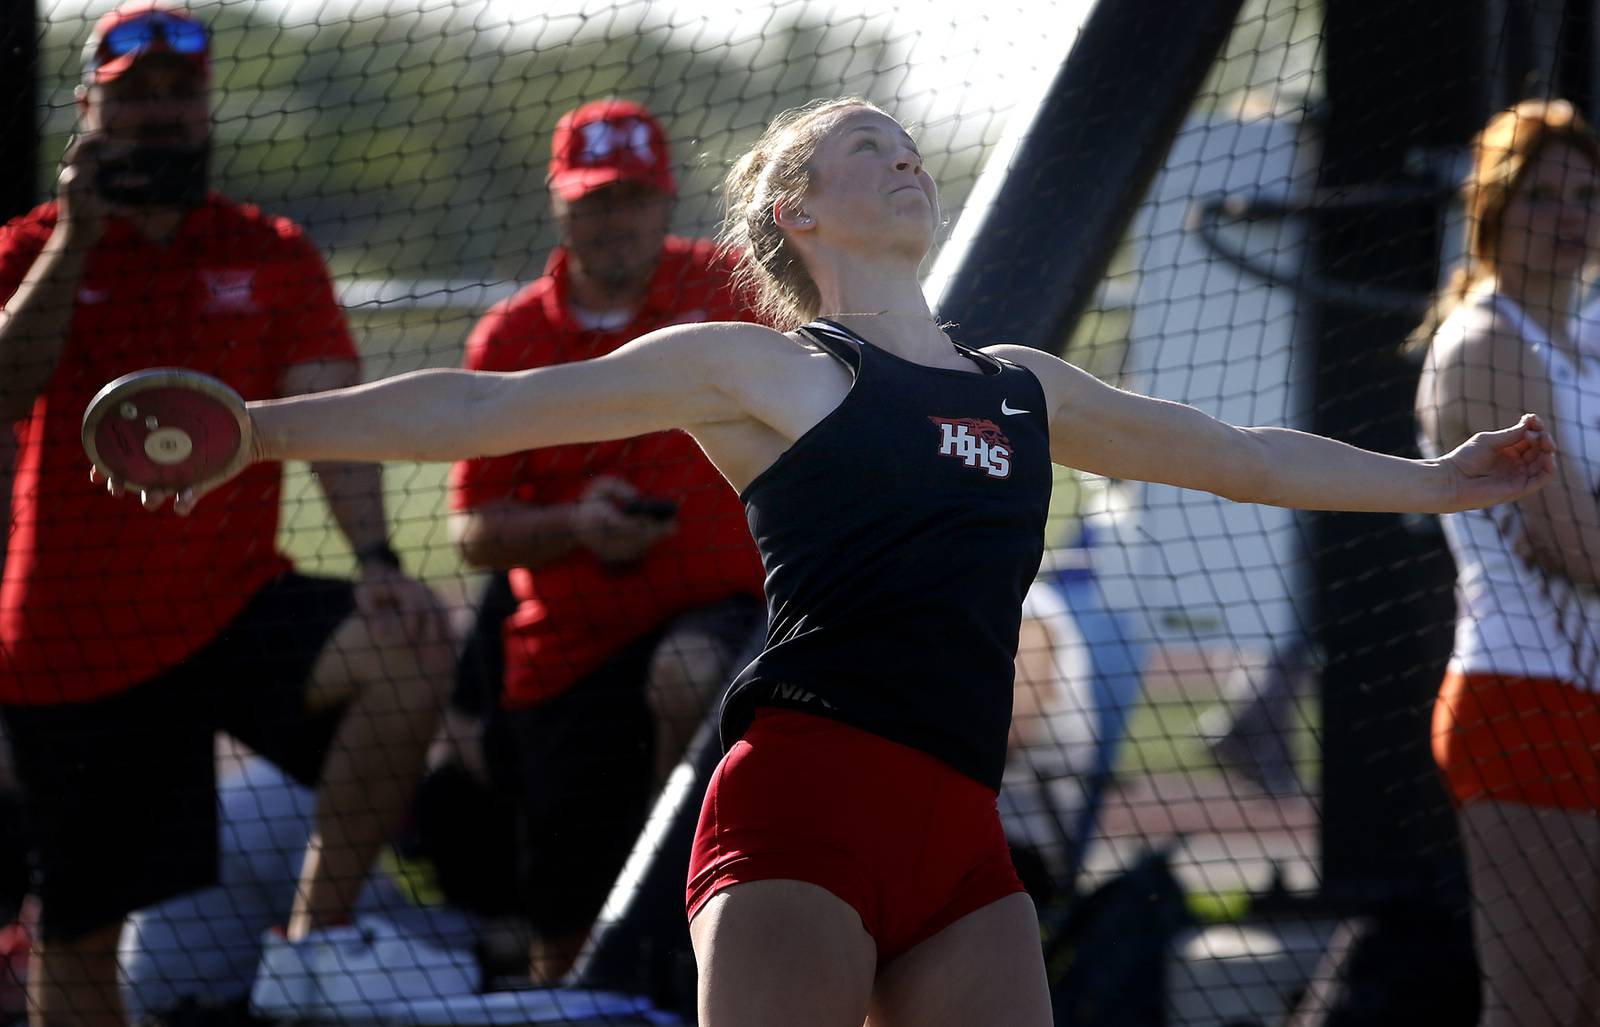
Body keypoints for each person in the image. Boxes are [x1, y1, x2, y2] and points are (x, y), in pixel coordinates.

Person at [109, 96, 1556, 1027]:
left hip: (958, 834)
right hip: (802, 801)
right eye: (857, 145)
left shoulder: (1020, 383)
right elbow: (482, 406)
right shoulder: (764, 367)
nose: (898, 153)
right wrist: (251, 428)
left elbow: (1243, 453)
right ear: (795, 212)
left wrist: (1436, 480)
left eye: (902, 140)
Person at [0, 5, 463, 1023]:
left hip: (235, 602)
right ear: (89, 110)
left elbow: (335, 418)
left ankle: (311, 946)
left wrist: (379, 556)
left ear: (207, 106)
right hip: (80, 640)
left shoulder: (273, 251)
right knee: (81, 931)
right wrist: (75, 237)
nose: (161, 115)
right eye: (134, 97)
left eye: (178, 94)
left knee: (412, 646)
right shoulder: (31, 248)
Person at [432, 97, 766, 981]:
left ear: (665, 199)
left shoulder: (732, 289)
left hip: (723, 620)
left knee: (693, 675)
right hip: (565, 659)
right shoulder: (512, 337)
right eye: (595, 200)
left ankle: (680, 901)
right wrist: (575, 525)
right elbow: (473, 534)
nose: (615, 220)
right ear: (560, 203)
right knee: (566, 940)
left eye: (633, 198)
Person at [1413, 98, 1600, 1027]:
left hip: (1590, 700)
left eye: (1586, 195)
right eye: (1543, 197)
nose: (1570, 218)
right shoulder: (1488, 343)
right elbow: (1575, 545)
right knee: (1537, 1010)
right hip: (1526, 701)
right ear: (1492, 209)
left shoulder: (1593, 335)